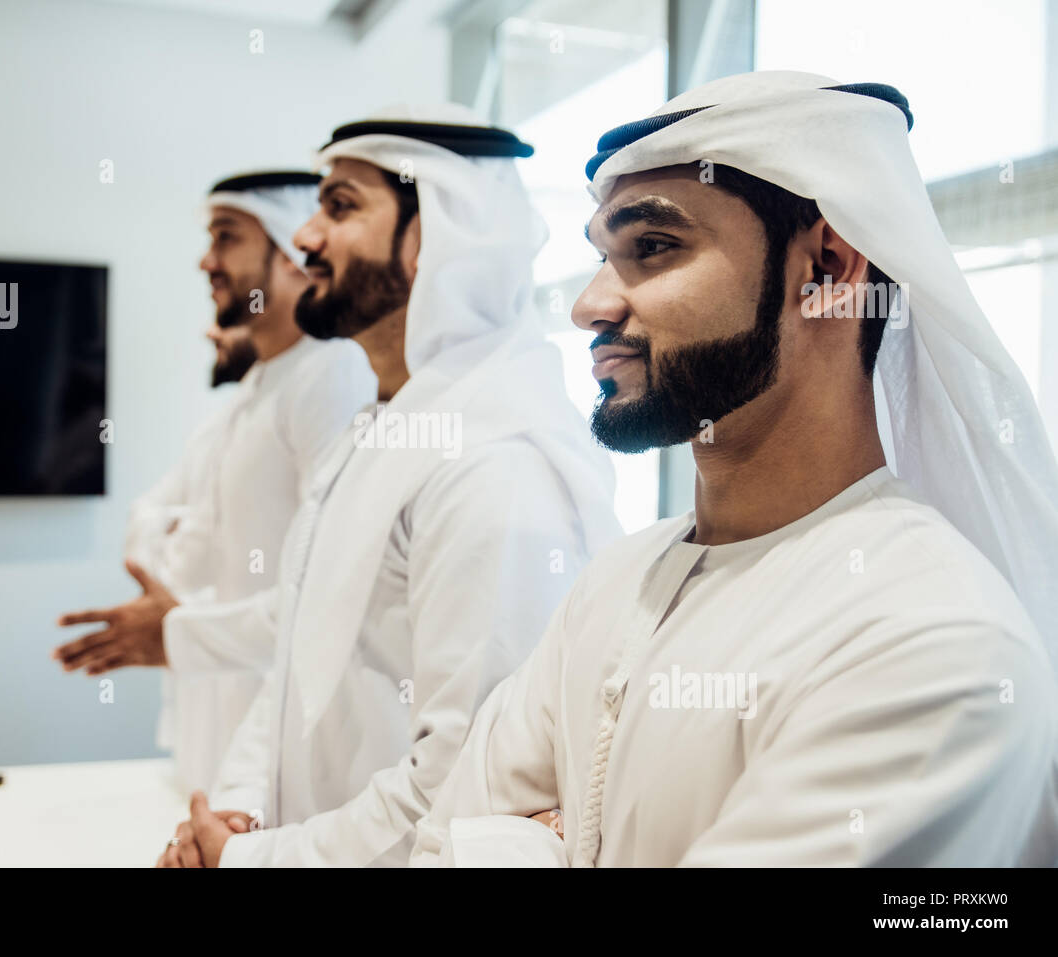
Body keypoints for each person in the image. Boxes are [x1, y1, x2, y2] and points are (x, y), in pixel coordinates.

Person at [411, 71, 1058, 867]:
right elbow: (433, 849)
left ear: (826, 269)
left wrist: (525, 844)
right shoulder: (615, 582)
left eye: (652, 247)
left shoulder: (932, 640)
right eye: (605, 255)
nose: (590, 304)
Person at [156, 105, 619, 867]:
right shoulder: (377, 430)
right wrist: (239, 809)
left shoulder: (494, 459)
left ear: (437, 236)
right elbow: (299, 660)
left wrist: (251, 858)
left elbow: (465, 784)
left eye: (340, 207)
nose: (306, 239)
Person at [52, 171, 375, 796]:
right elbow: (153, 526)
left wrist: (182, 627)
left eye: (226, 238)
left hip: (280, 759)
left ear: (289, 253)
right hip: (215, 732)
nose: (207, 262)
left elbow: (331, 602)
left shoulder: (333, 378)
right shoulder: (259, 388)